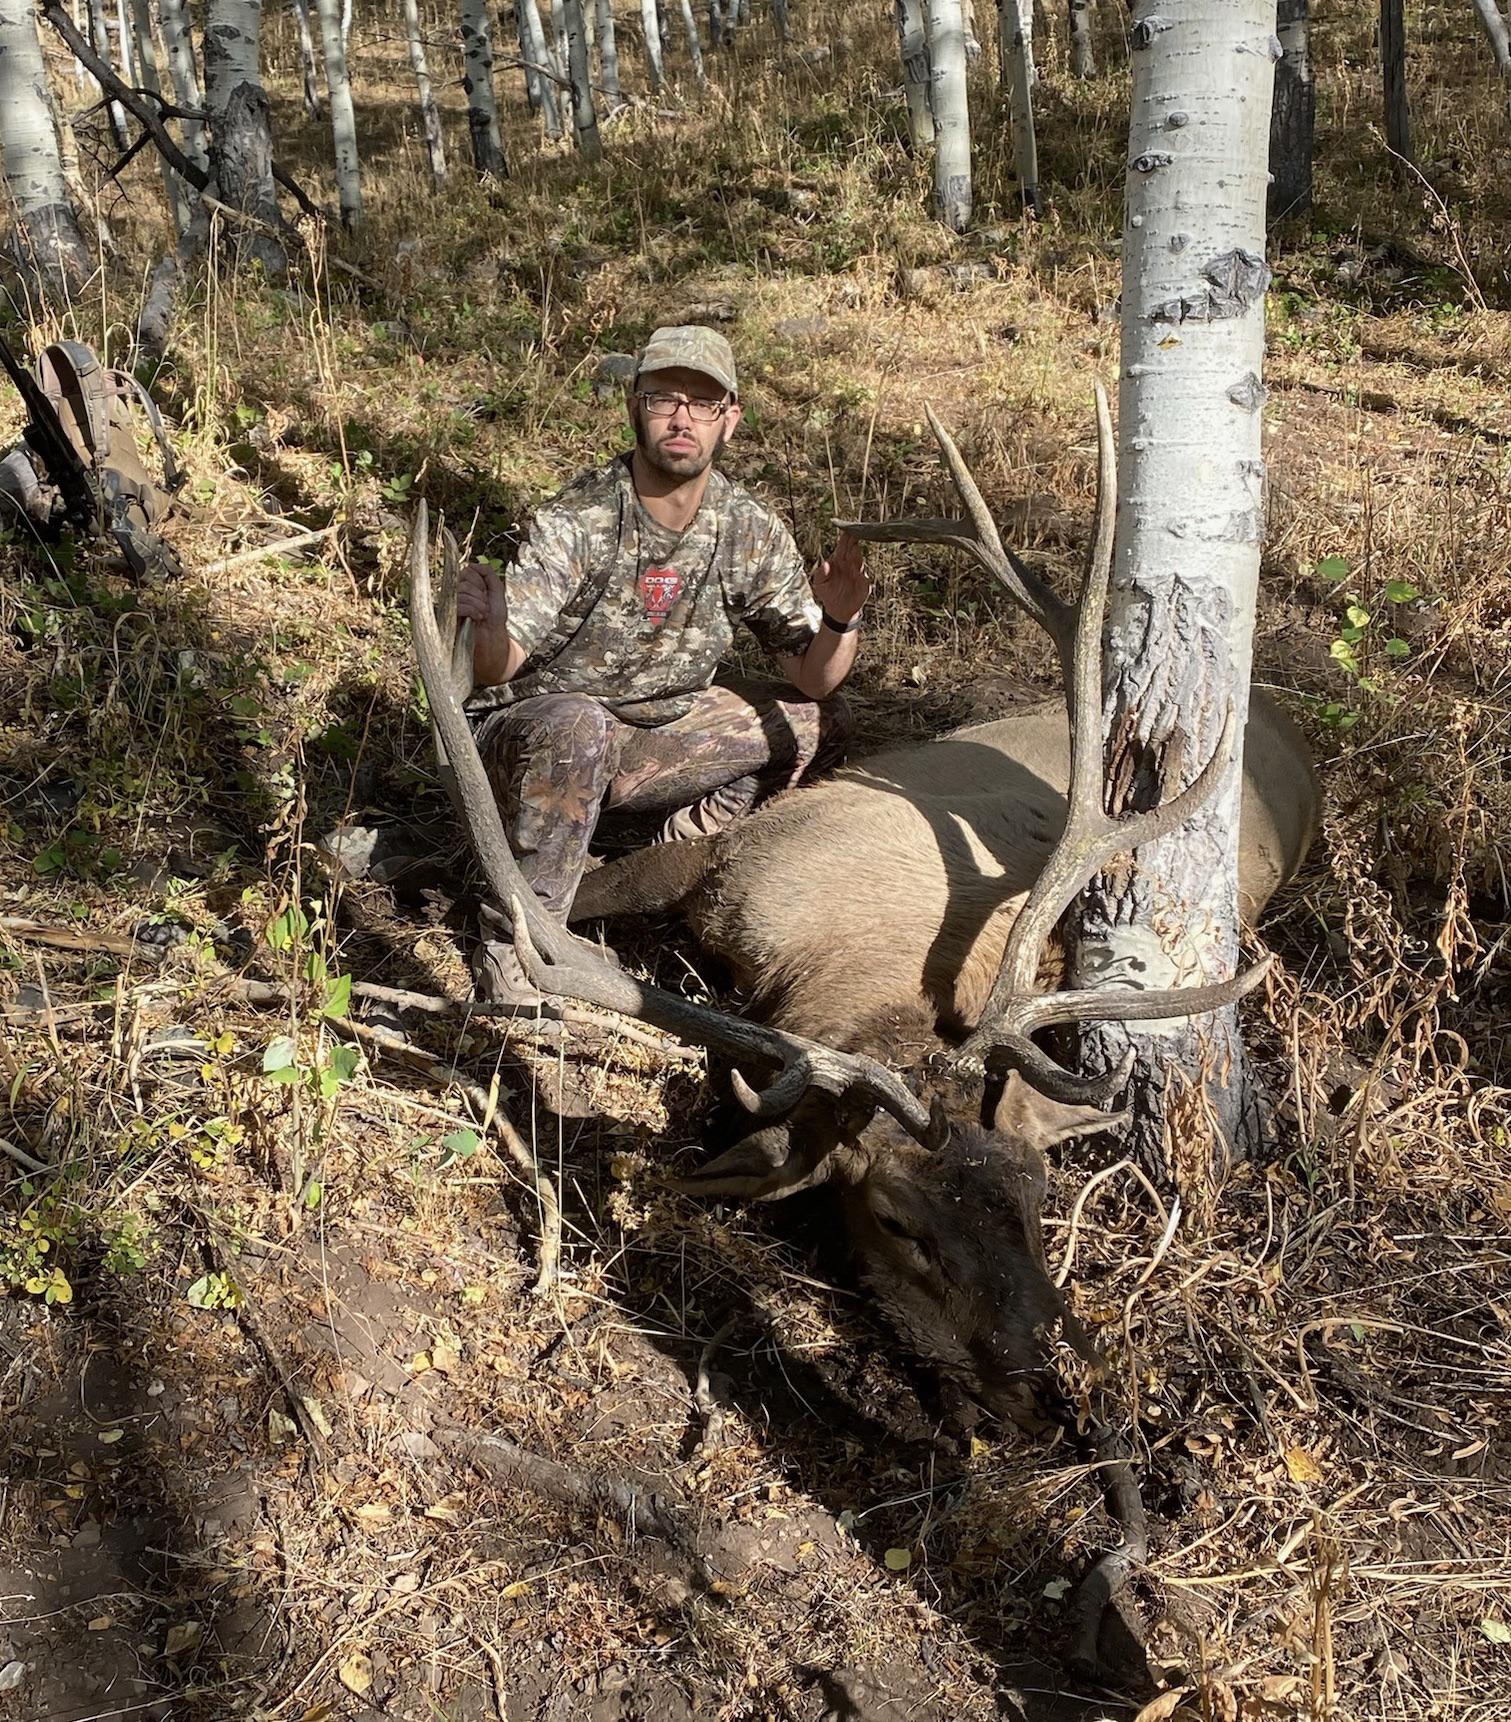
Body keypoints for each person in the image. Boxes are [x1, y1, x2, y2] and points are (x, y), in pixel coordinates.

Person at [455, 324, 870, 1001]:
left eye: (702, 403)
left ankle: (659, 866)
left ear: (729, 419)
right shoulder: (580, 515)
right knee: (577, 726)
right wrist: (494, 624)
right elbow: (499, 669)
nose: (682, 418)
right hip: (530, 740)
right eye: (662, 399)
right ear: (634, 407)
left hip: (648, 743)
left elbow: (812, 678)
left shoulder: (748, 528)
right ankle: (519, 946)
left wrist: (839, 618)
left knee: (818, 721)